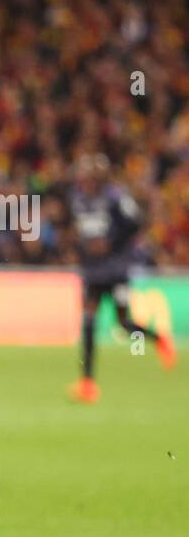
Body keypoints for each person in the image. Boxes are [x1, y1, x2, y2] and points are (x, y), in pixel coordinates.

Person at [68, 153, 175, 403]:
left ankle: (158, 339)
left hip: (115, 270)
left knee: (124, 324)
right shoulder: (79, 199)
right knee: (88, 322)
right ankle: (87, 382)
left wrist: (112, 244)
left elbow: (135, 222)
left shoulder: (115, 198)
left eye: (90, 177)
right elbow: (81, 231)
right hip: (92, 271)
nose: (85, 182)